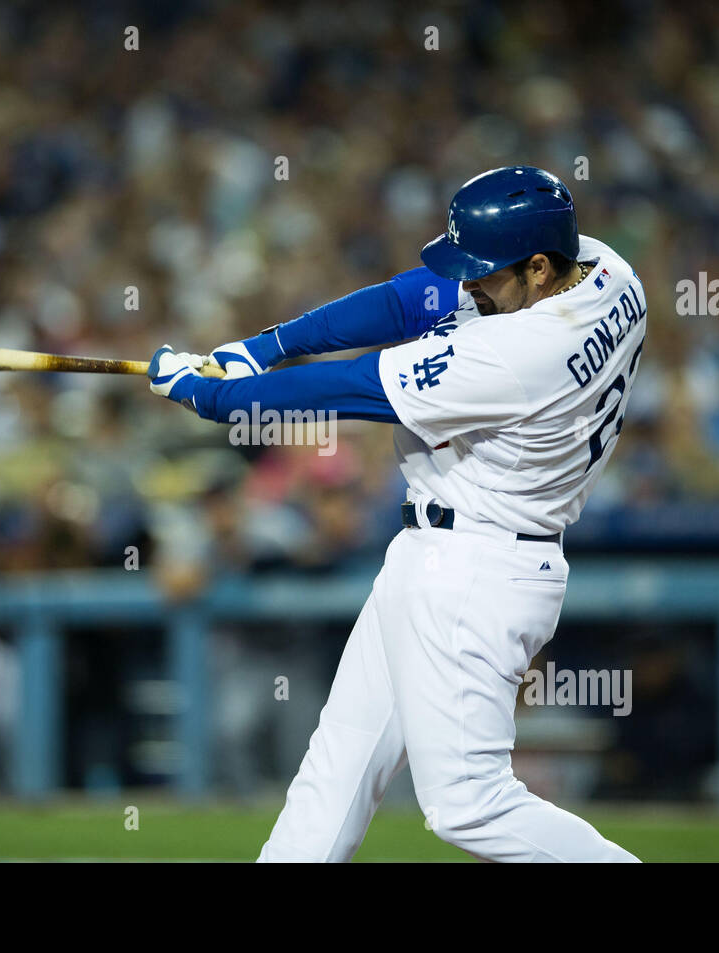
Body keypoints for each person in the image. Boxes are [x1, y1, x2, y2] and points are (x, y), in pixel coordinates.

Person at [149, 166, 643, 862]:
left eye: (483, 271)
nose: (466, 285)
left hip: (477, 571)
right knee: (336, 772)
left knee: (468, 806)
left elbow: (357, 386)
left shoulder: (519, 353)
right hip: (442, 553)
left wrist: (215, 398)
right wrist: (266, 347)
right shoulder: (608, 273)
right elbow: (418, 295)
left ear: (537, 266)